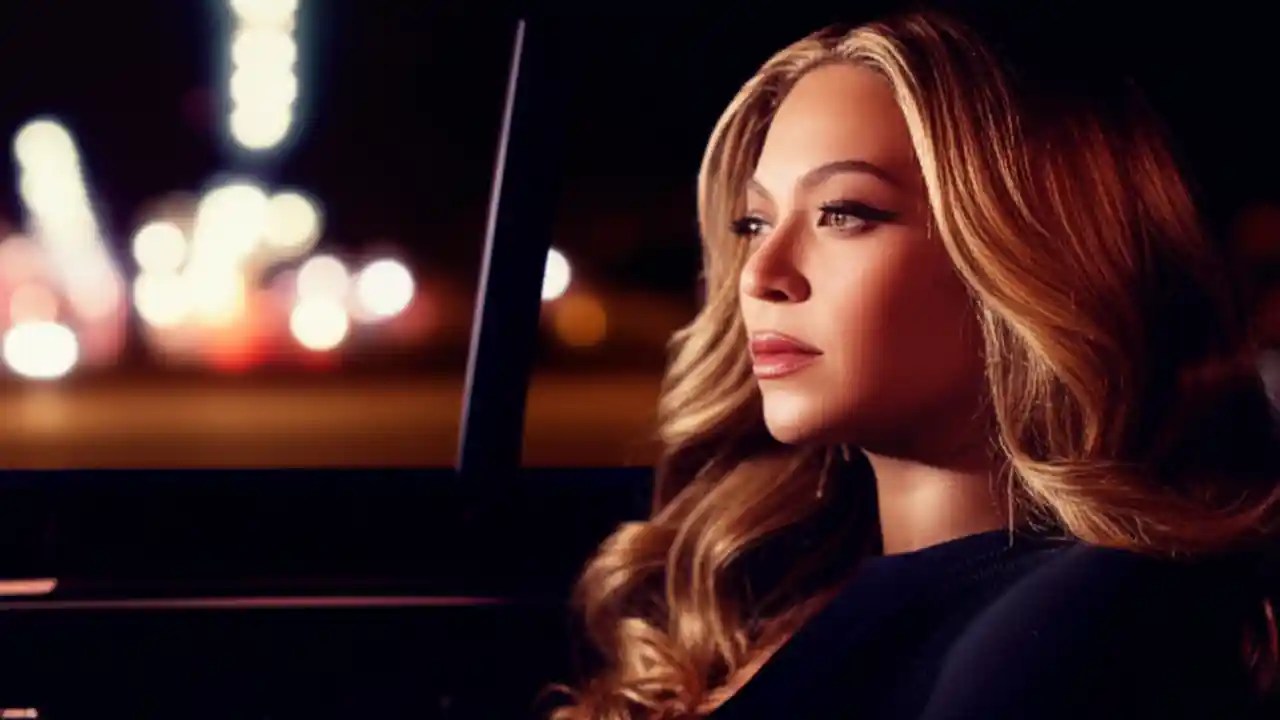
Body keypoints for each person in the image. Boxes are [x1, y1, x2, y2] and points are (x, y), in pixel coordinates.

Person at [544, 7, 1280, 719]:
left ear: (1030, 251)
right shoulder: (786, 591)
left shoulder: (1080, 617)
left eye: (845, 213)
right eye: (754, 222)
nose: (761, 271)